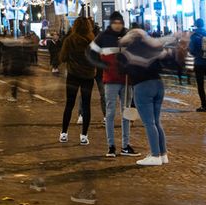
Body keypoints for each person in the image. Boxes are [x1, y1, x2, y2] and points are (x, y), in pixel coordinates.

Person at [119, 28, 176, 167]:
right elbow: (163, 64)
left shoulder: (128, 52)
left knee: (149, 123)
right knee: (156, 122)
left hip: (142, 86)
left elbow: (123, 70)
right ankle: (163, 154)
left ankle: (155, 155)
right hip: (158, 84)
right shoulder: (152, 49)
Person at [90, 12, 139, 157]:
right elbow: (90, 52)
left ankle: (125, 146)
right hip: (111, 80)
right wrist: (102, 65)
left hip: (126, 80)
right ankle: (111, 146)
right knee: (110, 113)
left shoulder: (128, 36)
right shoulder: (103, 36)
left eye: (120, 22)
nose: (117, 25)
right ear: (111, 23)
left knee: (126, 113)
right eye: (115, 22)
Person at [58, 17, 101, 146]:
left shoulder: (69, 40)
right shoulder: (92, 41)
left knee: (69, 104)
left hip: (73, 75)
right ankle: (84, 136)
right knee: (86, 106)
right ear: (88, 27)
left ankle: (64, 133)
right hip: (88, 76)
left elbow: (63, 57)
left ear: (75, 26)